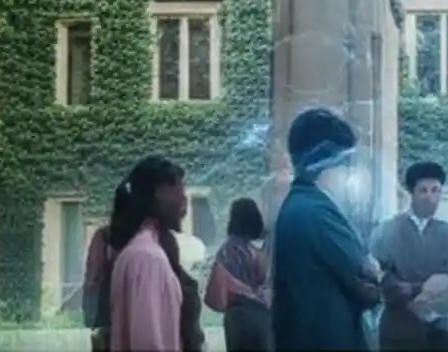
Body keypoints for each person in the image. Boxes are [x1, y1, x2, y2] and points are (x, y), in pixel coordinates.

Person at [272, 107, 381, 351]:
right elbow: (367, 283)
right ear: (325, 161)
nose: (348, 172)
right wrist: (375, 274)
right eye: (345, 162)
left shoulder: (296, 205)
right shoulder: (318, 212)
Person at [370, 161, 448, 352]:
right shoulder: (386, 232)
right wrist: (420, 288)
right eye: (423, 190)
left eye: (435, 190)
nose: (430, 197)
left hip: (443, 333)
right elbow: (379, 278)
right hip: (400, 331)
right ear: (411, 193)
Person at [108, 155, 203, 352]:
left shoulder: (141, 252)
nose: (184, 200)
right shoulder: (147, 258)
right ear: (159, 192)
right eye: (180, 190)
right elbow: (147, 344)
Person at [205, 198, 271, 352]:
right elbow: (264, 278)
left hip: (237, 318)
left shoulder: (226, 251)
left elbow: (217, 295)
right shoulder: (257, 249)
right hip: (261, 315)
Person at [84, 186, 128, 352]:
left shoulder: (104, 235)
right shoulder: (105, 236)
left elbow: (92, 275)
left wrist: (90, 314)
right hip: (113, 309)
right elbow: (93, 274)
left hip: (107, 309)